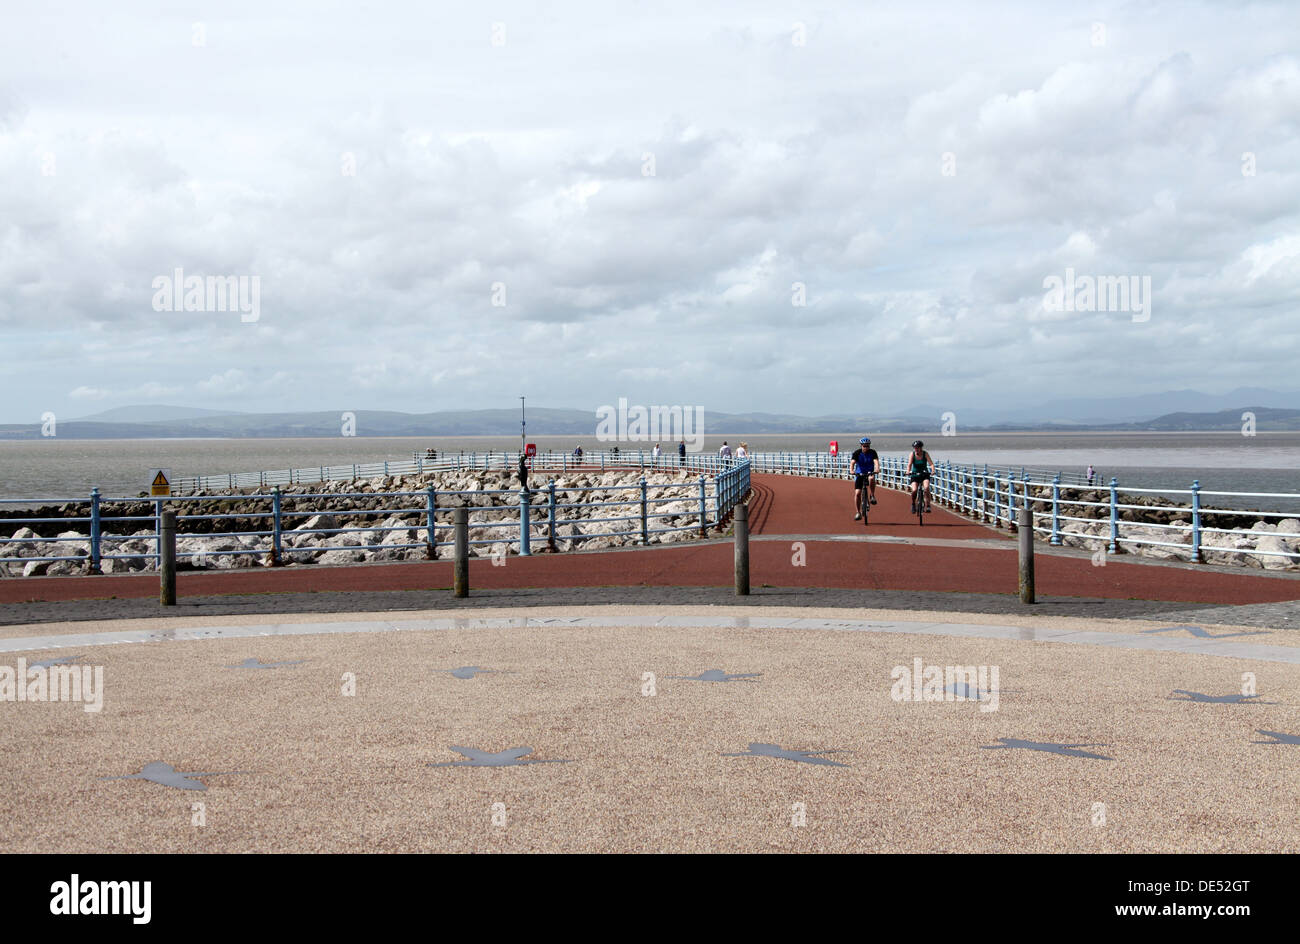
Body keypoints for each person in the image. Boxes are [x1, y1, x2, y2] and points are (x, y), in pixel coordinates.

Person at [849, 437, 880, 518]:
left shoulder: (872, 452)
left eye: (867, 446)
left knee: (871, 478)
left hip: (869, 472)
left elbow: (876, 461)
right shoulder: (857, 453)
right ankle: (858, 512)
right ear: (861, 446)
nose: (866, 447)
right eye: (864, 446)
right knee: (857, 493)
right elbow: (852, 463)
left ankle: (872, 495)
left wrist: (877, 468)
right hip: (859, 474)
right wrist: (851, 470)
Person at [907, 440, 935, 513]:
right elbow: (909, 464)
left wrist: (933, 470)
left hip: (924, 474)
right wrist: (908, 471)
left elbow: (931, 463)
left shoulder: (925, 454)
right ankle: (913, 503)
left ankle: (928, 505)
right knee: (914, 490)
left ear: (921, 448)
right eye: (915, 448)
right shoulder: (912, 454)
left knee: (926, 487)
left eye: (917, 448)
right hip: (915, 474)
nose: (916, 449)